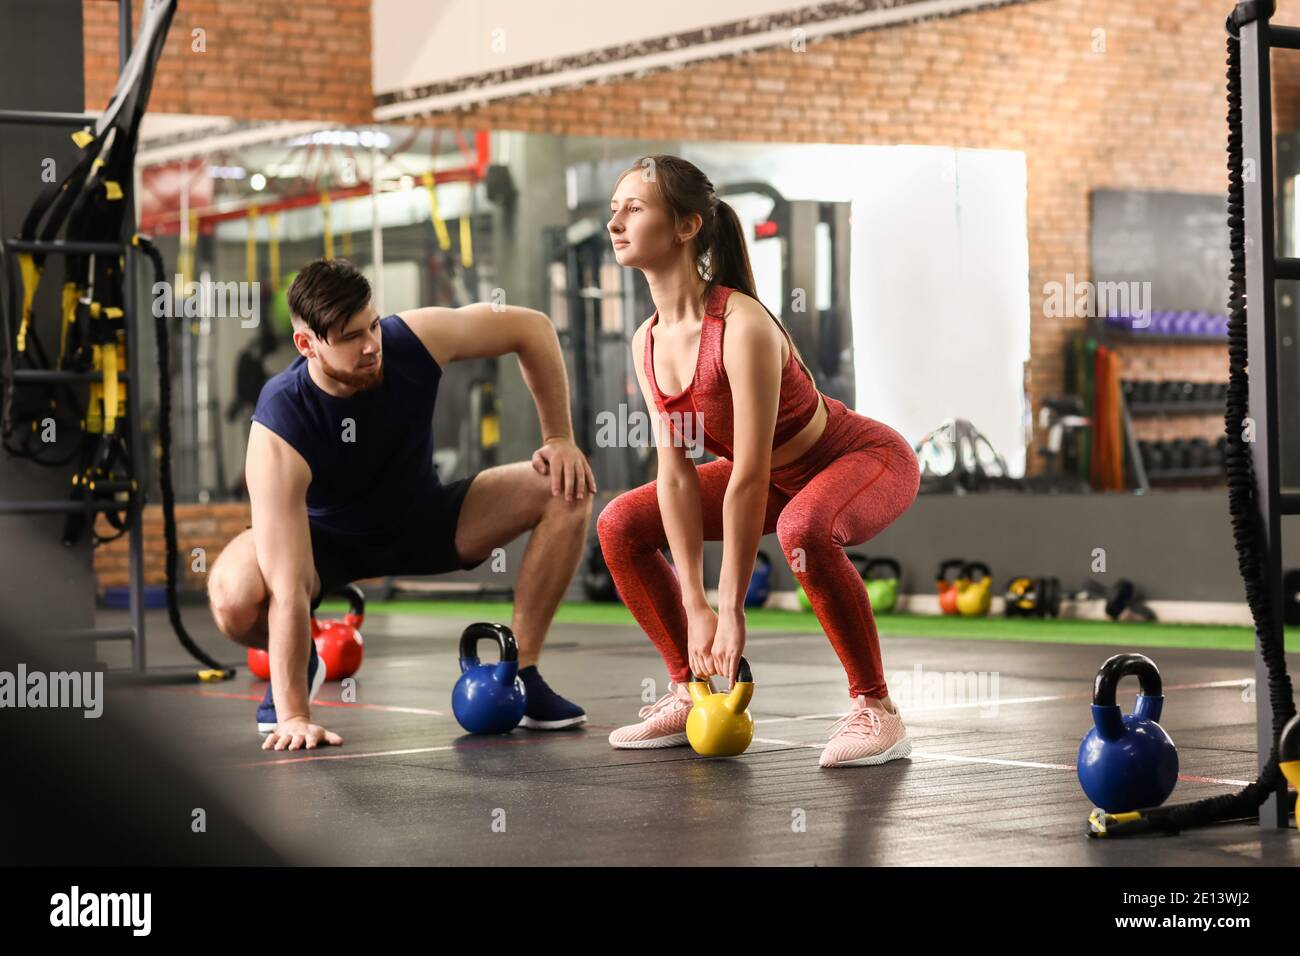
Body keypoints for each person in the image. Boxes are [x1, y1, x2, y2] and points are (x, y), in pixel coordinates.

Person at [597, 156, 920, 767]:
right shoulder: (647, 340)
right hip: (778, 479)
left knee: (805, 529)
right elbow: (675, 473)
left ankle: (877, 709)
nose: (615, 221)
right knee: (620, 524)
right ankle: (687, 689)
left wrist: (731, 610)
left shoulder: (739, 325)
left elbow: (745, 475)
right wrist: (695, 606)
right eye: (614, 207)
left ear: (687, 226)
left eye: (634, 208)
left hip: (859, 458)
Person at [207, 258, 596, 750]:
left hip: (422, 521)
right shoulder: (281, 422)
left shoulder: (413, 340)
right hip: (322, 545)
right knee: (233, 594)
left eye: (373, 325)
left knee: (567, 485)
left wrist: (558, 436)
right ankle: (302, 661)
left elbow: (532, 328)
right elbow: (287, 589)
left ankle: (516, 673)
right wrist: (294, 716)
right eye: (350, 337)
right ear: (306, 345)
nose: (372, 345)